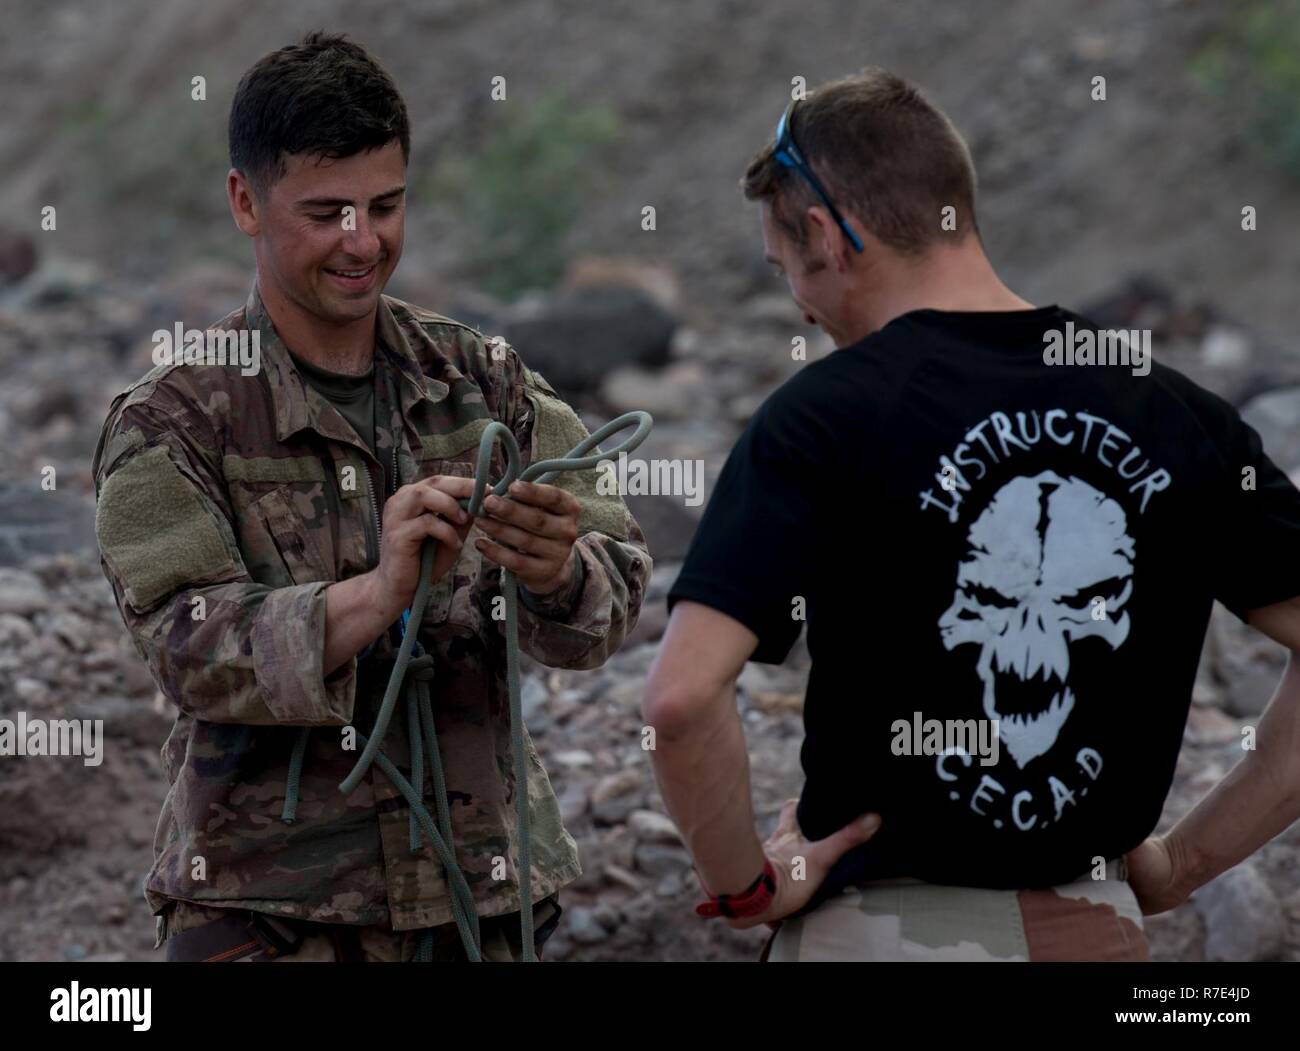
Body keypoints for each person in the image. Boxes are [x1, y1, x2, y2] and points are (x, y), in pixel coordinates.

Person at [642, 67, 1300, 962]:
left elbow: (680, 700)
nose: (797, 302)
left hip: (877, 937)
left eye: (784, 267)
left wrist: (748, 885)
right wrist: (1183, 863)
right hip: (1101, 937)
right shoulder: (1182, 415)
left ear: (826, 235)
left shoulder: (824, 414)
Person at [92, 31, 651, 963]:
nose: (363, 241)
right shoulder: (176, 417)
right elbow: (187, 646)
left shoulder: (484, 379)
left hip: (480, 899)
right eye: (326, 212)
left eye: (385, 206)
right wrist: (375, 593)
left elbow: (612, 588)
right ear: (245, 202)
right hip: (277, 915)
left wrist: (559, 573)